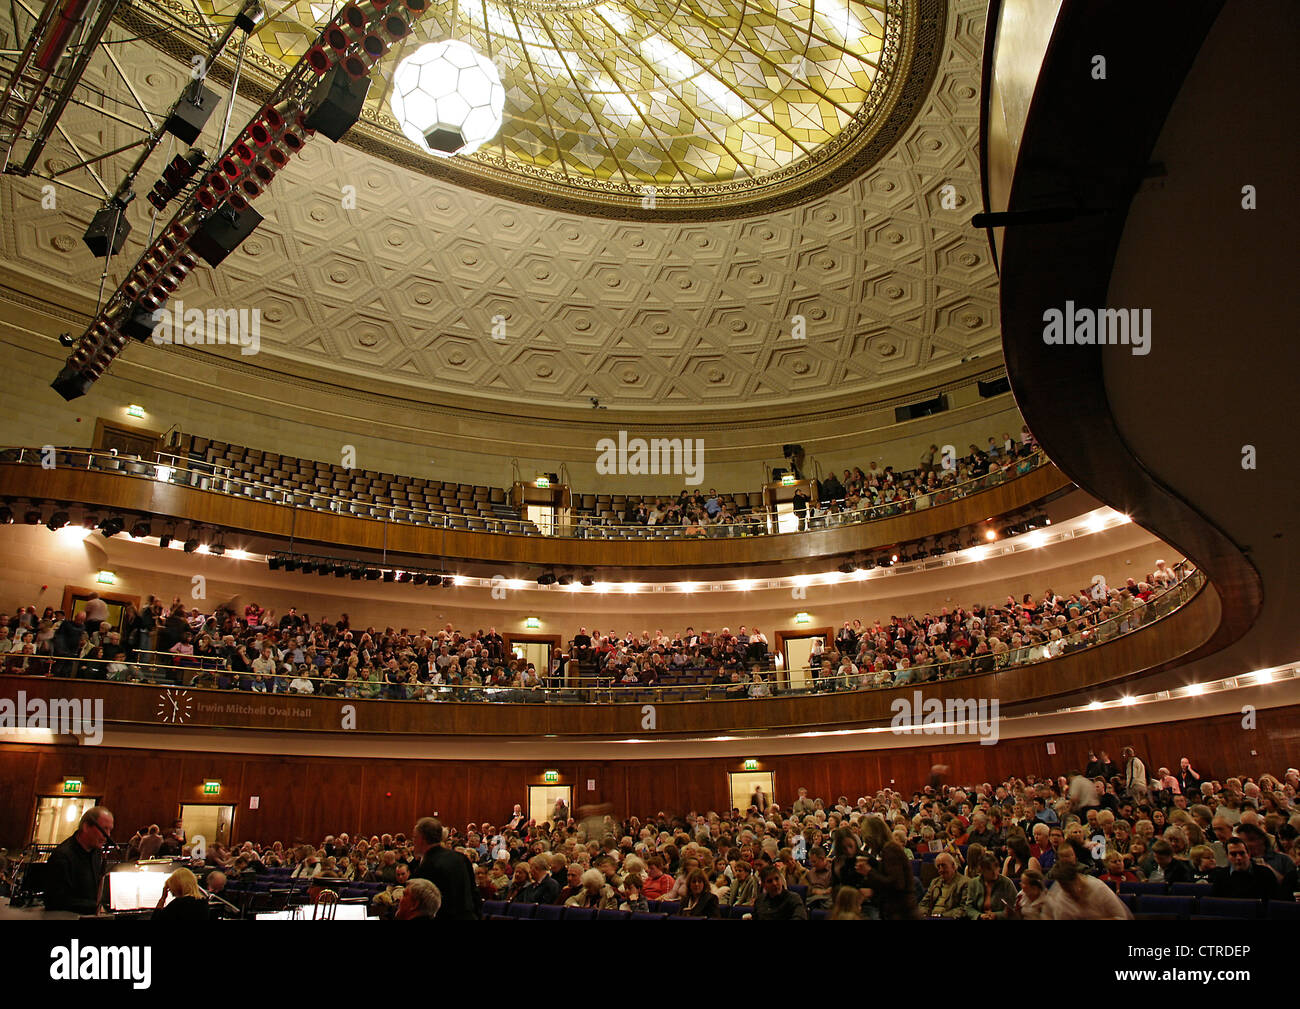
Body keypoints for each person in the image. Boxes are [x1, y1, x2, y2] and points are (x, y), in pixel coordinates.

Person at [43, 806, 114, 914]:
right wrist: (96, 906)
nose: (107, 836)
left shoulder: (95, 853)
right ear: (86, 827)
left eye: (110, 830)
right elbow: (56, 900)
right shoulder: (62, 856)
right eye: (104, 829)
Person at [409, 817, 480, 920]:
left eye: (414, 837)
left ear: (422, 838)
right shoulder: (461, 858)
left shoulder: (427, 867)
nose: (413, 842)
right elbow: (475, 894)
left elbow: (424, 909)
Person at [1041, 861, 1133, 919]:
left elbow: (1121, 917)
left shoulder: (1098, 888)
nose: (1070, 892)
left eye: (1071, 887)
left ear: (1077, 878)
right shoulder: (1058, 892)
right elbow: (1046, 916)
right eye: (1065, 888)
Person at [1210, 837, 1277, 899]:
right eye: (1233, 854)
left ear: (1248, 854)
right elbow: (1215, 904)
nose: (1238, 858)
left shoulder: (1265, 874)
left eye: (1242, 853)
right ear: (1227, 856)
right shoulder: (1220, 876)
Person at [919, 852, 966, 918]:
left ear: (953, 866)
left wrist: (941, 916)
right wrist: (924, 914)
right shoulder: (935, 882)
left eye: (943, 865)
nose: (941, 870)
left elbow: (964, 908)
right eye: (938, 866)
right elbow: (923, 904)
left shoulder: (964, 882)